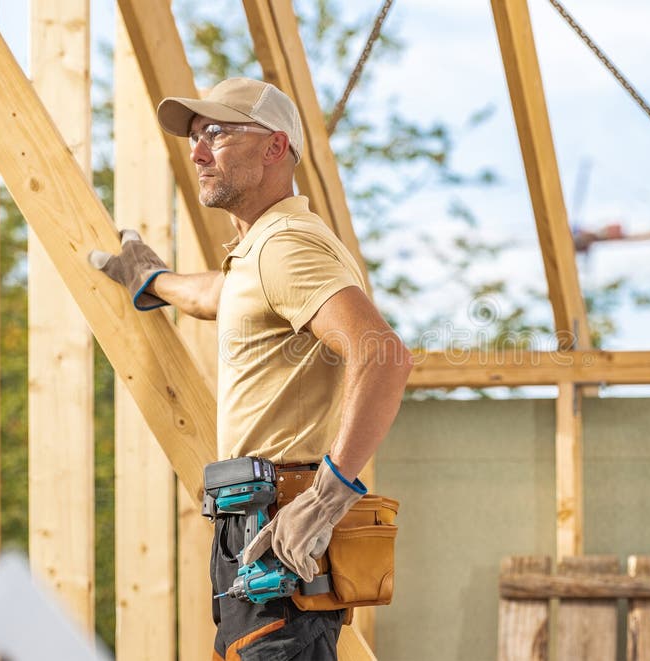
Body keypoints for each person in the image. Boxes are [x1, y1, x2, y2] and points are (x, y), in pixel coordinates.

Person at [88, 77, 413, 661]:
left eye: (216, 131)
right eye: (194, 135)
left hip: (285, 529)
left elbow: (382, 354)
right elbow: (220, 294)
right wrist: (152, 280)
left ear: (273, 147)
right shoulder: (261, 253)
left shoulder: (287, 247)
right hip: (255, 529)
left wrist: (325, 500)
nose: (197, 149)